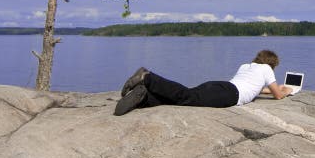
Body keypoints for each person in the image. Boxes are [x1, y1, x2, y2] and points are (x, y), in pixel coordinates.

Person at [114, 49, 292, 116]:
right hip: (229, 95)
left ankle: (145, 98)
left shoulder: (246, 66)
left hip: (220, 86)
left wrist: (265, 91)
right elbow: (278, 96)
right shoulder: (267, 69)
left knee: (183, 100)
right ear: (272, 64)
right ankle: (148, 77)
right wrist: (287, 90)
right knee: (187, 96)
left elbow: (251, 87)